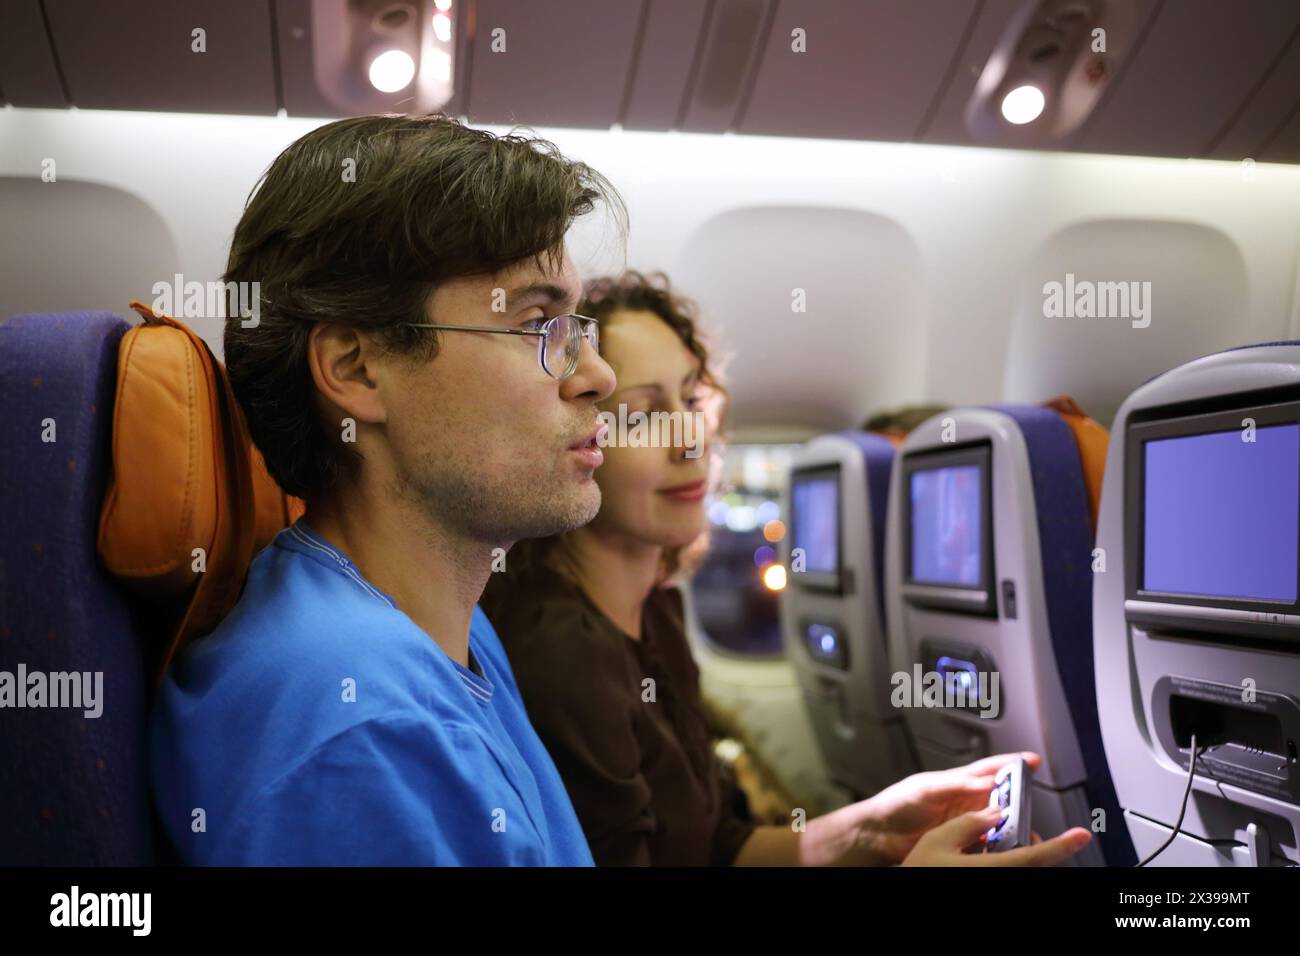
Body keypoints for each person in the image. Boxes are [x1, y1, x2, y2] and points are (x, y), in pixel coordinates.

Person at [481, 271, 1093, 866]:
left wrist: (873, 826)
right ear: (580, 438)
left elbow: (719, 846)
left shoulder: (660, 608)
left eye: (692, 399)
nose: (691, 438)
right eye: (643, 415)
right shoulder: (559, 652)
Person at [150, 114, 626, 865]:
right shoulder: (359, 727)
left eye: (579, 328)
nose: (598, 377)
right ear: (356, 368)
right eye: (539, 325)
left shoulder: (433, 628)